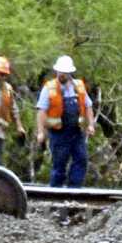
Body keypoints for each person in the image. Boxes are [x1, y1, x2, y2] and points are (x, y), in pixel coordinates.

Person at [33, 55, 96, 188]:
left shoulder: (79, 86)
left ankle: (74, 189)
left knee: (81, 159)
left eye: (64, 73)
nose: (62, 75)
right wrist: (40, 132)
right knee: (59, 164)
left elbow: (88, 105)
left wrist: (90, 125)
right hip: (58, 133)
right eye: (60, 72)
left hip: (76, 131)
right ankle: (55, 191)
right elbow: (41, 111)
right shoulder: (49, 88)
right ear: (57, 71)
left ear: (69, 73)